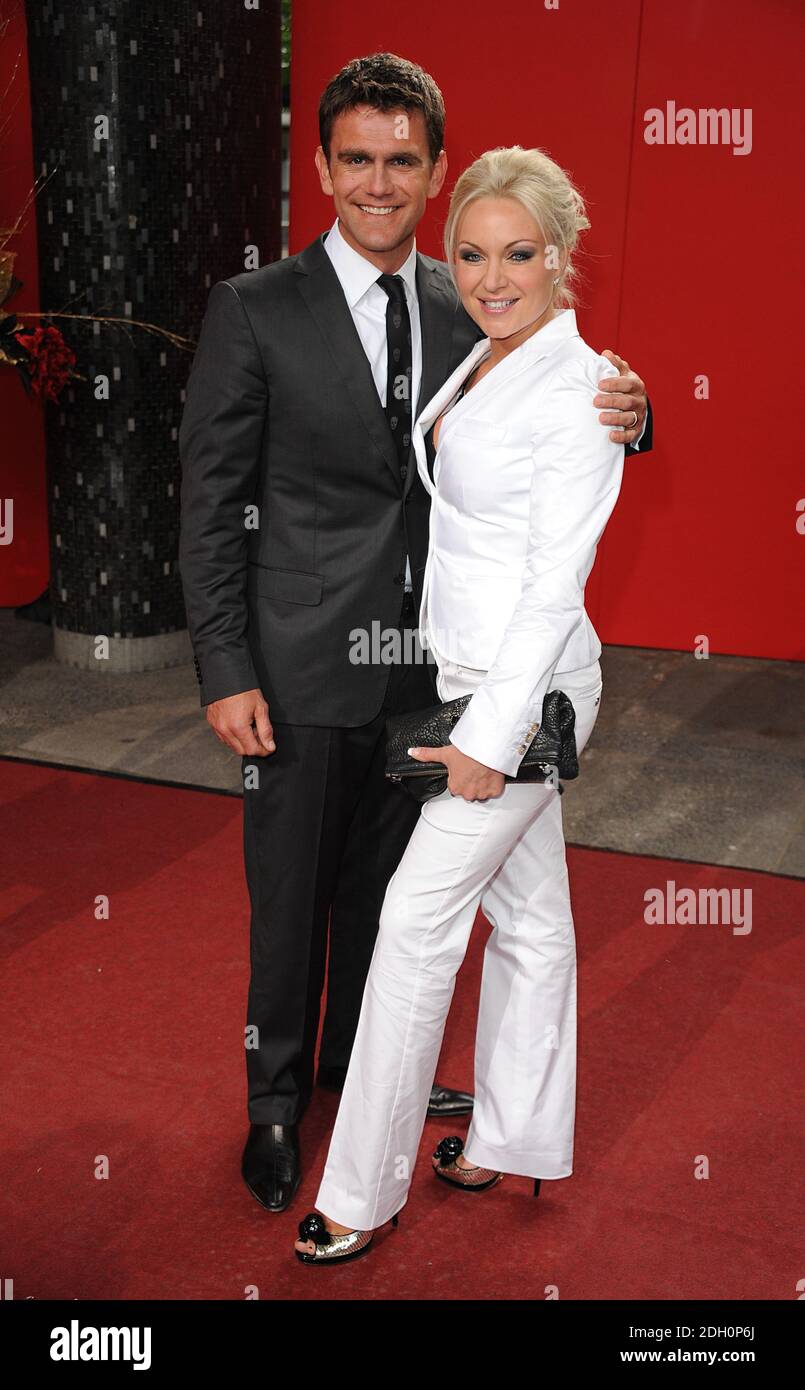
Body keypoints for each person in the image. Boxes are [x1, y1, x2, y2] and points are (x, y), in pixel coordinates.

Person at [178, 54, 652, 1217]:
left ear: (435, 171)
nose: (379, 183)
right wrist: (225, 663)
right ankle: (278, 1104)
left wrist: (629, 421)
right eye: (356, 160)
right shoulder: (255, 307)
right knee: (288, 897)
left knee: (384, 887)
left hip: (427, 673)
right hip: (292, 665)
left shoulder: (470, 301)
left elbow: (547, 424)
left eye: (402, 161)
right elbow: (208, 500)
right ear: (323, 167)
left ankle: (359, 1075)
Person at [294, 144, 629, 1265]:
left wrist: (490, 737)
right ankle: (514, 1135)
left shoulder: (582, 391)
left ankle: (362, 1188)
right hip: (466, 675)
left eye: (519, 254)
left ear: (561, 256)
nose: (493, 277)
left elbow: (552, 583)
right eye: (473, 253)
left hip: (521, 695)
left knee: (413, 918)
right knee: (529, 922)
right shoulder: (487, 359)